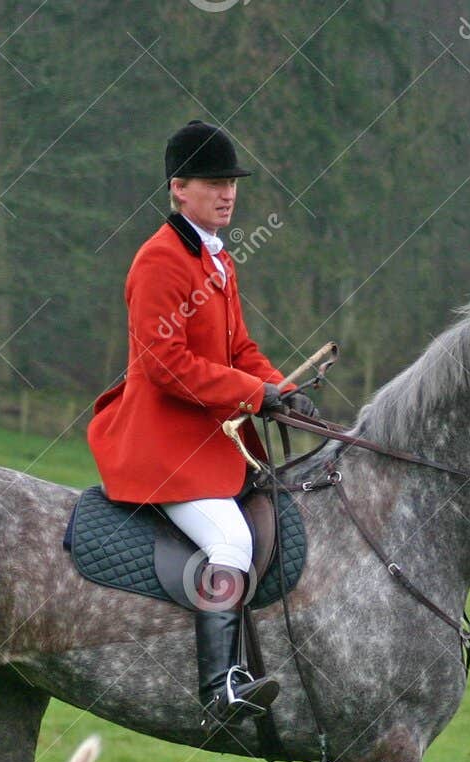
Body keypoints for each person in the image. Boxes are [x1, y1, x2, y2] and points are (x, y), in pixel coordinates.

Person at [87, 119, 319, 728]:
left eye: (232, 183)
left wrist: (284, 391)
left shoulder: (217, 260)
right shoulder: (159, 260)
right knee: (231, 542)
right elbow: (166, 366)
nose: (227, 193)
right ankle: (221, 690)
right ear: (178, 189)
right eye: (213, 183)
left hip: (206, 442)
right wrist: (253, 393)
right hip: (159, 444)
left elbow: (239, 348)